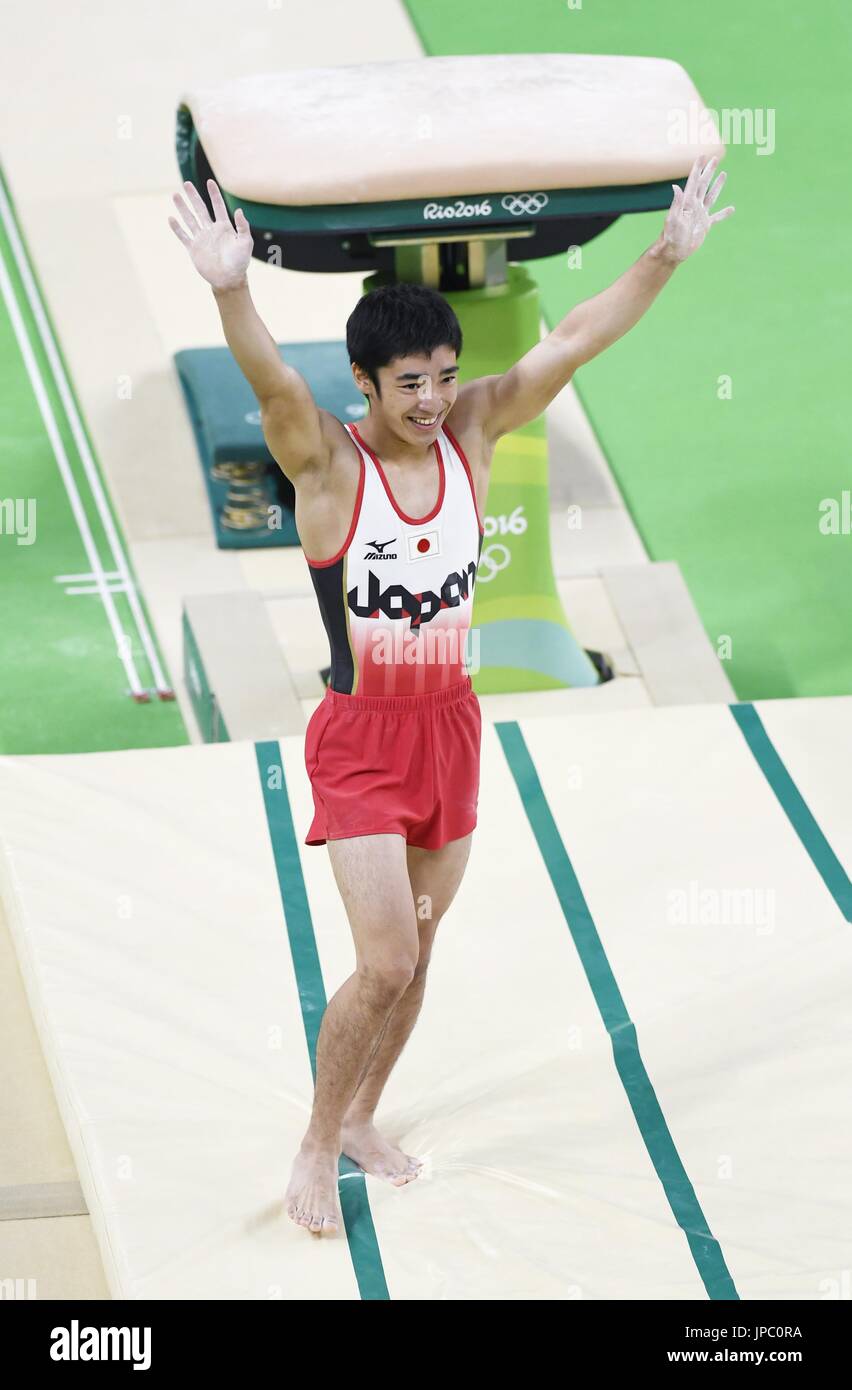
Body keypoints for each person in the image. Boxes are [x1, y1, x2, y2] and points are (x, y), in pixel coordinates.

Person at [169, 156, 734, 1237]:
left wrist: (663, 256)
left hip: (452, 729)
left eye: (443, 376)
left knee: (417, 955)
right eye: (409, 384)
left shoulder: (474, 429)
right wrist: (230, 288)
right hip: (361, 737)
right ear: (365, 383)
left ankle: (362, 1116)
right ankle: (315, 1138)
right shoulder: (329, 468)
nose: (432, 400)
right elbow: (272, 386)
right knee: (383, 957)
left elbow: (575, 339)